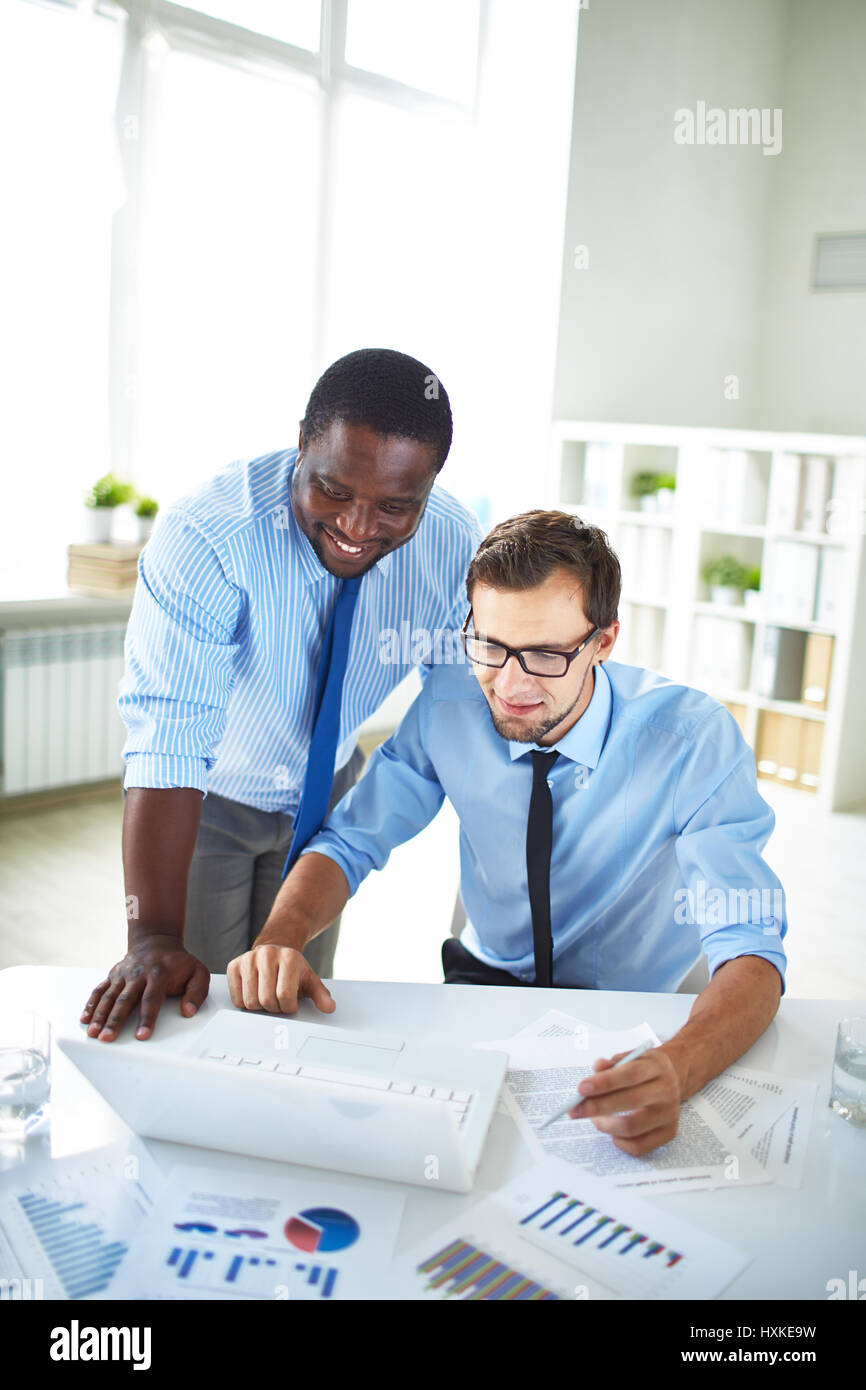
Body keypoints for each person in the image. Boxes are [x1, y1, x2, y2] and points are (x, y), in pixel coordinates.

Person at [226, 510, 788, 1157]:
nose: (511, 686)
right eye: (490, 646)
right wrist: (280, 938)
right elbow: (352, 840)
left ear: (604, 641)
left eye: (546, 654)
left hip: (634, 1008)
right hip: (483, 985)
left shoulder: (691, 739)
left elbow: (752, 946)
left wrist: (680, 1066)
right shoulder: (448, 700)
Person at [81, 348, 481, 1043]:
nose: (359, 527)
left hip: (329, 797)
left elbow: (452, 716)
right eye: (333, 490)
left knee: (284, 1005)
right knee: (194, 1006)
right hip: (207, 799)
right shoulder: (210, 535)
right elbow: (170, 737)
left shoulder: (450, 545)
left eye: (394, 506)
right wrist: (149, 937)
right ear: (303, 441)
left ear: (430, 485)